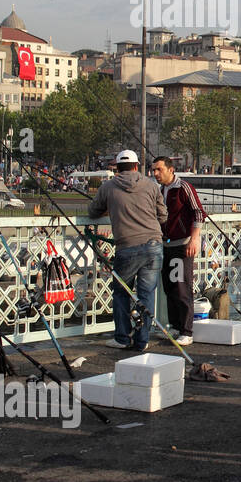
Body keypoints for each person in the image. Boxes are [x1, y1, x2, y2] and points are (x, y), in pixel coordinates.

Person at [88, 150, 166, 351]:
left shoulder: (108, 187)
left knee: (121, 293)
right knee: (146, 294)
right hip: (153, 244)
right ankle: (142, 340)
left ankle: (122, 337)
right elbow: (163, 215)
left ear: (117, 167)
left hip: (127, 246)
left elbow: (93, 212)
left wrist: (111, 207)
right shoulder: (151, 185)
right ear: (136, 166)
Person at [150, 156, 204, 347]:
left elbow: (198, 212)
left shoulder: (183, 188)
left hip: (183, 244)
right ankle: (174, 326)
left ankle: (187, 330)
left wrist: (194, 238)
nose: (155, 173)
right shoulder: (161, 190)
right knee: (169, 287)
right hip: (166, 244)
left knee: (182, 287)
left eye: (159, 170)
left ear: (170, 170)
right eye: (153, 170)